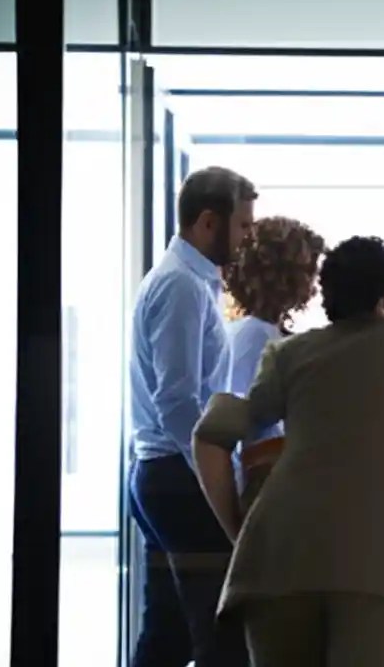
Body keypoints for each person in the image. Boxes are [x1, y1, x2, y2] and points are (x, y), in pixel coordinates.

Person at [191, 236, 384, 667]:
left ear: (326, 295)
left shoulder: (289, 354)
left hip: (279, 557)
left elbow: (210, 437)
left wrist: (241, 533)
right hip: (382, 558)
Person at [127, 166, 256, 667]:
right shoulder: (181, 286)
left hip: (165, 476)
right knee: (218, 637)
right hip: (178, 478)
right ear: (207, 222)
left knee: (169, 634)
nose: (247, 238)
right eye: (242, 226)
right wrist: (219, 473)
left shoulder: (192, 281)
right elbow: (177, 400)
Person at [222, 216, 324, 509]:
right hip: (261, 481)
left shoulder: (259, 331)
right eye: (308, 271)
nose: (314, 282)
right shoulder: (254, 335)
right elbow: (245, 419)